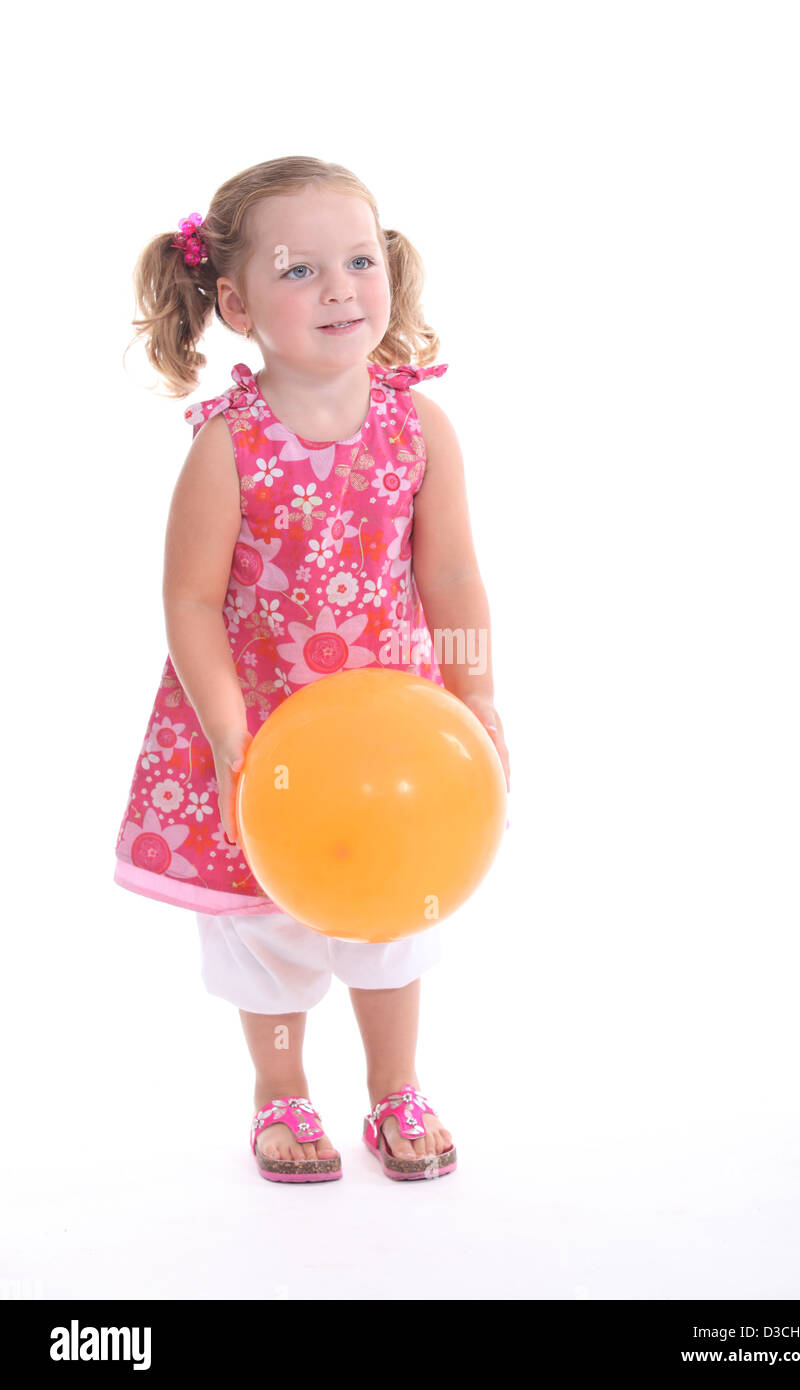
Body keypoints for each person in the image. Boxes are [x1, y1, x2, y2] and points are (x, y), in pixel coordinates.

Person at [113, 155, 510, 1182]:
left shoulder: (416, 427)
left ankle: (394, 1090)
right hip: (257, 734)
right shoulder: (227, 447)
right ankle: (279, 1091)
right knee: (266, 933)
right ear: (236, 304)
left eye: (358, 260)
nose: (339, 287)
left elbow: (454, 577)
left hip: (395, 746)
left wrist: (474, 695)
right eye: (300, 271)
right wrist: (227, 731)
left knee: (391, 919)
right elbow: (190, 600)